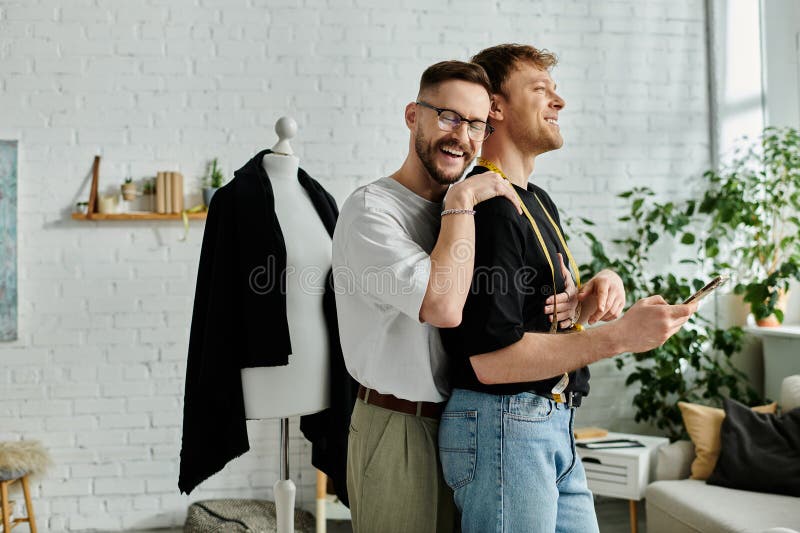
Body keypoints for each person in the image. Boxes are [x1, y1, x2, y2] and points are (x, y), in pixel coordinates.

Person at [437, 43, 698, 533]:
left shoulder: (536, 201)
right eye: (541, 90)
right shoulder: (487, 207)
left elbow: (537, 318)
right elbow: (491, 360)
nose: (559, 102)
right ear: (495, 106)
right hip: (506, 425)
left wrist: (592, 289)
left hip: (547, 422)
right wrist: (620, 336)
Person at [332, 59, 567, 532]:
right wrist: (460, 201)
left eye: (476, 125)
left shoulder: (464, 209)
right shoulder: (371, 211)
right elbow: (442, 306)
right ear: (412, 115)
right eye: (448, 117)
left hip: (464, 421)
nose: (461, 136)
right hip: (397, 427)